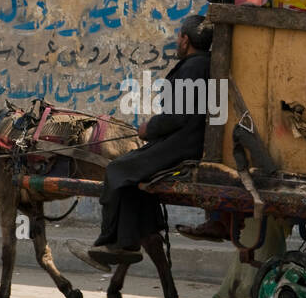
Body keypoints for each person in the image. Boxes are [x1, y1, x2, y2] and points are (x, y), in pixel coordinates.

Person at [74, 14, 214, 267]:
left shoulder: (193, 67)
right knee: (131, 177)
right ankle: (126, 242)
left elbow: (176, 117)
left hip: (181, 144)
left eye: (179, 37)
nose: (177, 41)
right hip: (187, 140)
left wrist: (149, 129)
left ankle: (109, 241)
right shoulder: (206, 64)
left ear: (186, 40)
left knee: (117, 169)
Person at [179, 0, 278, 243]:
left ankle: (232, 217)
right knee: (216, 135)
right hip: (225, 55)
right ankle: (217, 217)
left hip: (255, 54)